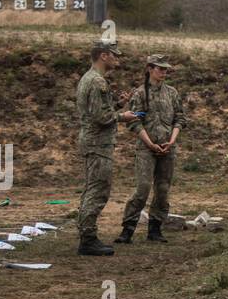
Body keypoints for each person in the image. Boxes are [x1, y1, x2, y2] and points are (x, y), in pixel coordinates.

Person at [115, 54, 187, 244]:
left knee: (163, 190)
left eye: (165, 69)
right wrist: (149, 143)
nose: (163, 72)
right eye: (159, 68)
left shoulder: (172, 93)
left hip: (167, 148)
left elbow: (179, 118)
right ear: (149, 69)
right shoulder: (140, 94)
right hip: (146, 148)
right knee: (143, 188)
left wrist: (171, 141)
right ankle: (128, 228)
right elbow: (134, 122)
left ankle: (155, 228)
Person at [76, 41, 137, 256]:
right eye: (114, 55)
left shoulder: (89, 78)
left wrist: (118, 105)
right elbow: (101, 117)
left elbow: (99, 111)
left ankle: (87, 234)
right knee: (98, 190)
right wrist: (124, 116)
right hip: (98, 143)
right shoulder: (97, 82)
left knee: (92, 188)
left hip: (93, 141)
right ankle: (88, 238)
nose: (117, 59)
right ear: (103, 56)